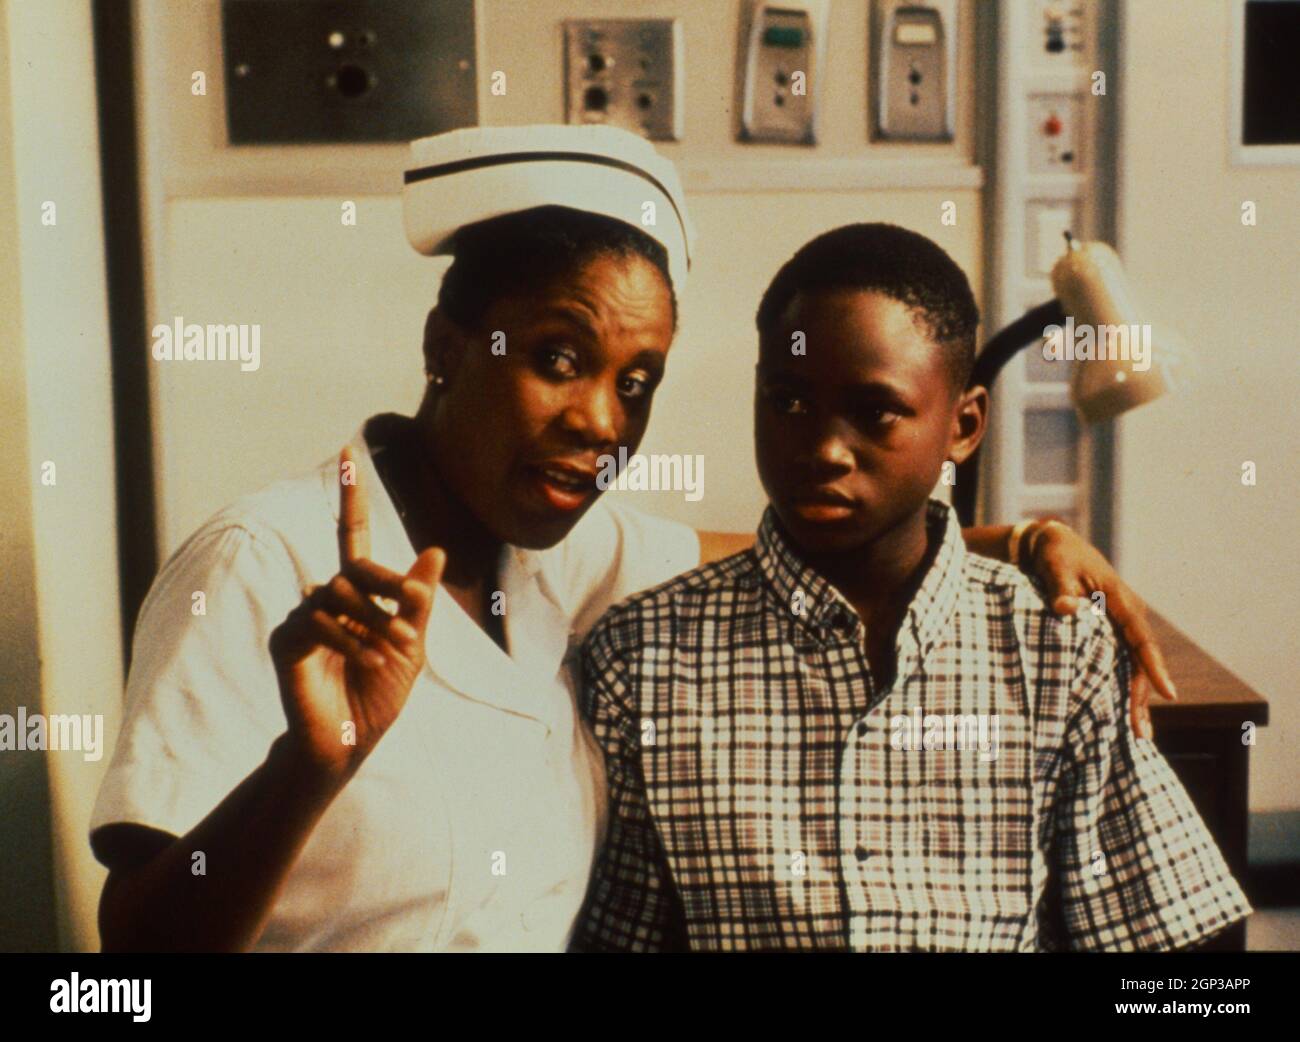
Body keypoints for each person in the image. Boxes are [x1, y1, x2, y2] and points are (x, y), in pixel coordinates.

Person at [91, 126, 1178, 953]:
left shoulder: (570, 556)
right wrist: (305, 767)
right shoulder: (260, 563)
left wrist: (1019, 542)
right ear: (445, 345)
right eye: (559, 358)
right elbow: (127, 962)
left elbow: (806, 542)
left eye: (637, 382)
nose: (603, 422)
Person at [570, 223, 1250, 952]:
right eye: (789, 402)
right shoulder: (643, 658)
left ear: (963, 426)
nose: (825, 449)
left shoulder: (1058, 649)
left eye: (875, 413)